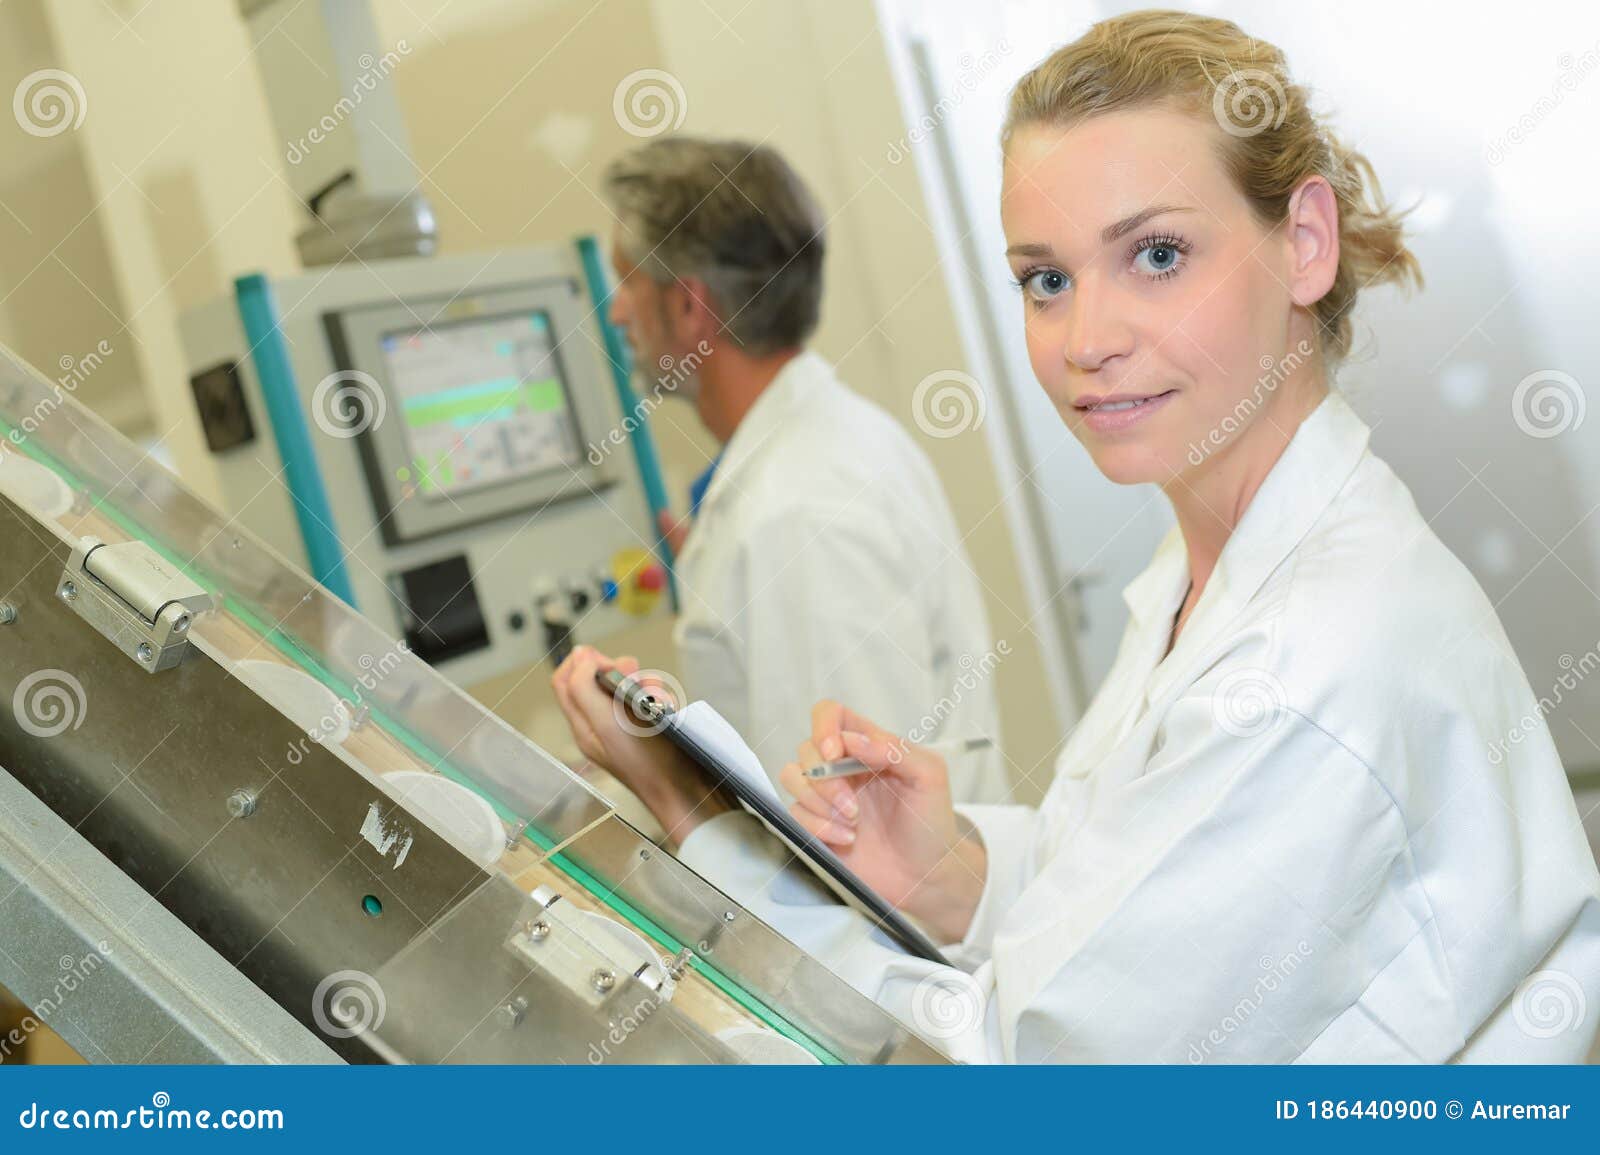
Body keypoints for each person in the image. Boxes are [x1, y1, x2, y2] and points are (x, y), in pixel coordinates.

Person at [554, 10, 1600, 1061]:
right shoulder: (1212, 575)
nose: (1087, 342)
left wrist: (703, 830)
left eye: (1156, 253)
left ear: (1305, 245)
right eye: (1044, 279)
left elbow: (1029, 1074)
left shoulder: (1309, 663)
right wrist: (951, 874)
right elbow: (1126, 897)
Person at [599, 136, 1008, 804]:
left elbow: (856, 823)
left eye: (628, 282)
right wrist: (719, 577)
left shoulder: (796, 514)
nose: (615, 311)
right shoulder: (829, 447)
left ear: (686, 305)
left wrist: (658, 788)